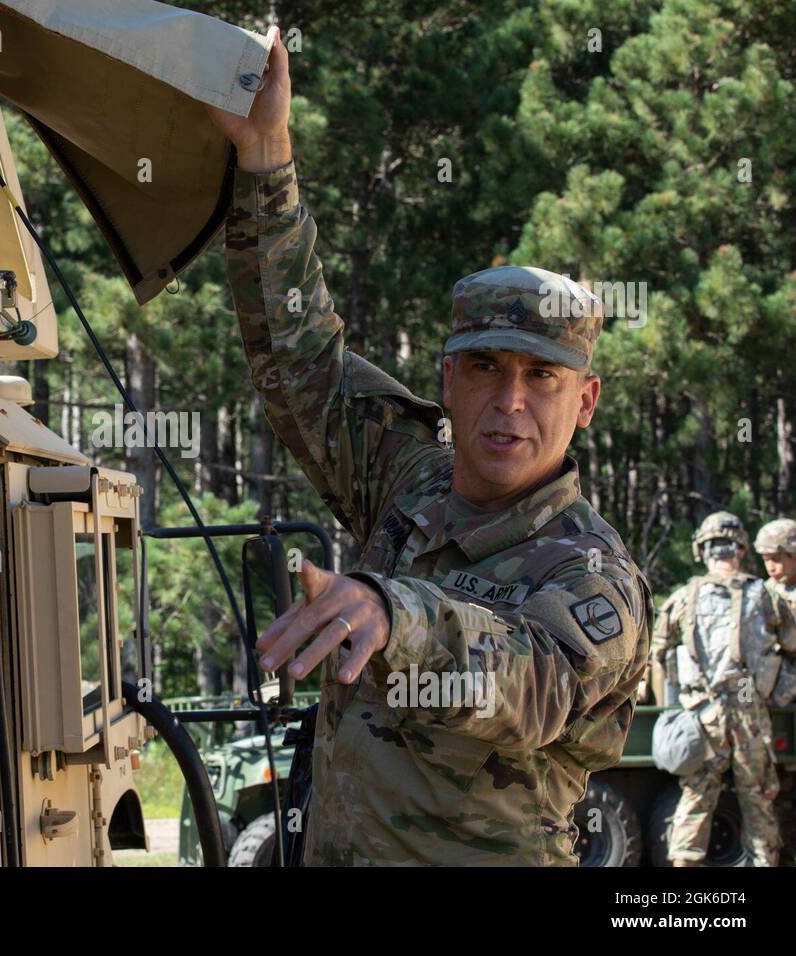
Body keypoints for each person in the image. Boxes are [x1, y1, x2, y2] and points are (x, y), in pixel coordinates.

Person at [205, 26, 652, 865]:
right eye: (484, 367)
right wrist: (267, 157)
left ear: (584, 400)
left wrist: (394, 613)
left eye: (542, 379)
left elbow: (533, 683)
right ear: (448, 380)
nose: (509, 402)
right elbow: (304, 363)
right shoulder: (411, 483)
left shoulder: (591, 576)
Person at [652, 512, 796, 866]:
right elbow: (792, 644)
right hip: (749, 710)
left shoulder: (684, 597)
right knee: (758, 801)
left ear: (702, 551)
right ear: (742, 551)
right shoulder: (765, 595)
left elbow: (657, 651)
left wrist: (668, 708)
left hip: (702, 714)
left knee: (696, 799)